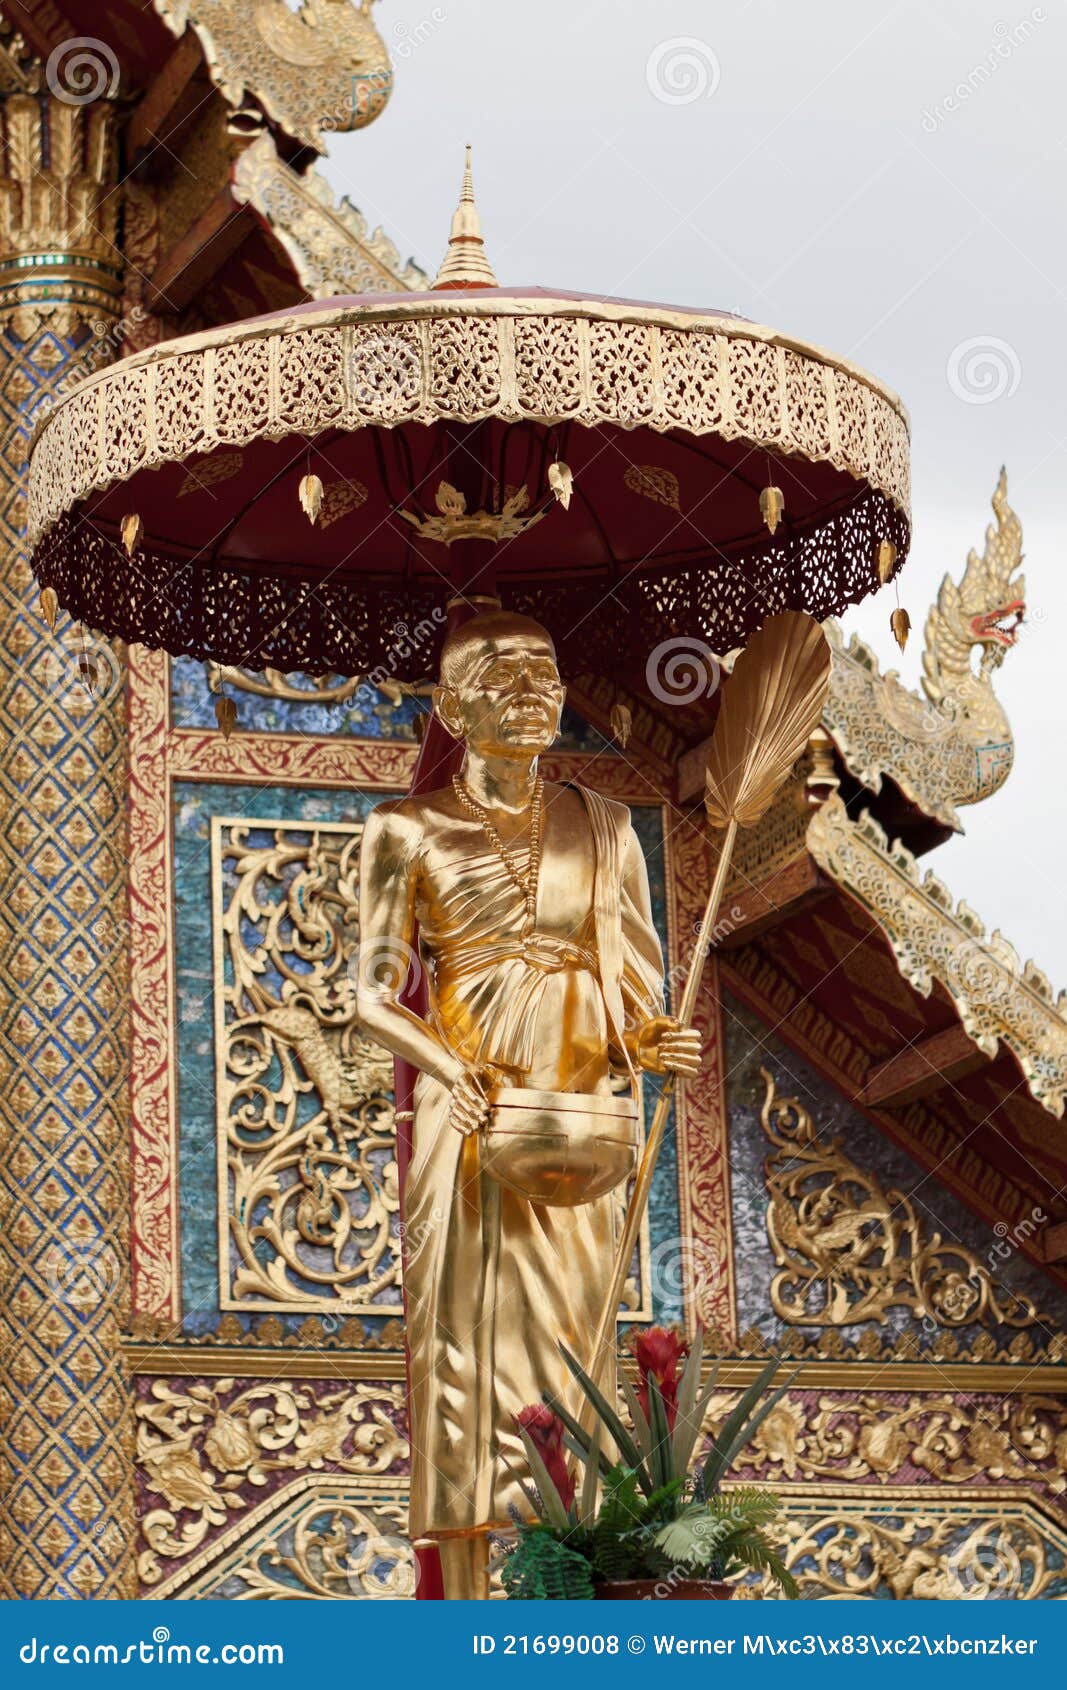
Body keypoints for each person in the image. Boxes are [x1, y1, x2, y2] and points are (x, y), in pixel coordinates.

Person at [357, 610, 701, 1598]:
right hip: (470, 1132)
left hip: (577, 1127)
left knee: (575, 1353)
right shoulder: (405, 830)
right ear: (453, 705)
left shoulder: (604, 825)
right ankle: (467, 1611)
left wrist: (652, 1039)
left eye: (544, 672)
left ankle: (569, 1591)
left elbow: (634, 982)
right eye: (500, 674)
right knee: (463, 1360)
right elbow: (371, 991)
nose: (530, 690)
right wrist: (441, 1065)